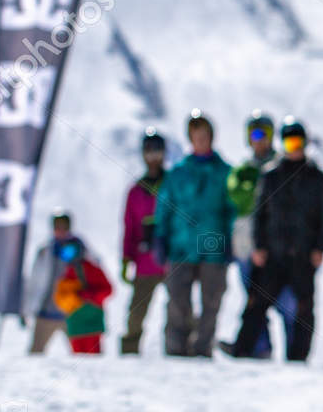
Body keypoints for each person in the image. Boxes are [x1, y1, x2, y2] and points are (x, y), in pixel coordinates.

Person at [229, 118, 323, 362]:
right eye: (289, 141)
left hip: (304, 254)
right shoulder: (271, 176)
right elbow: (260, 215)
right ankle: (242, 350)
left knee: (304, 308)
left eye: (298, 141)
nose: (294, 147)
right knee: (256, 303)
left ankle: (298, 357)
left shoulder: (317, 178)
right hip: (273, 254)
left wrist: (319, 247)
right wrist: (259, 246)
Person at [153, 111, 235, 357]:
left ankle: (203, 348)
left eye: (204, 136)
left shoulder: (225, 173)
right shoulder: (178, 173)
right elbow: (164, 207)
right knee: (178, 302)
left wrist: (233, 242)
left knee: (211, 302)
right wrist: (160, 237)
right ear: (190, 139)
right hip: (181, 246)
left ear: (211, 137)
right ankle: (176, 349)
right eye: (196, 136)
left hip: (213, 248)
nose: (200, 141)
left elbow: (233, 210)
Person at [229, 111, 292, 358]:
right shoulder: (243, 169)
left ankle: (294, 352)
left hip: (276, 245)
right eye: (254, 134)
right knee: (254, 297)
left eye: (264, 134)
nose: (259, 139)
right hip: (247, 245)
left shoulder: (281, 166)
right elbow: (238, 198)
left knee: (286, 300)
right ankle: (259, 346)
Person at [119, 128, 168, 354]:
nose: (153, 156)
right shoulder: (136, 191)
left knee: (179, 308)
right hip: (144, 261)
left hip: (170, 258)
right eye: (149, 151)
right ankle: (130, 349)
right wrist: (126, 258)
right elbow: (130, 227)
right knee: (136, 311)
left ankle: (182, 348)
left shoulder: (172, 184)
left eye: (157, 151)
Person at [24, 210, 94, 354]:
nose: (60, 230)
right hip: (46, 312)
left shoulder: (81, 249)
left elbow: (94, 274)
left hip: (72, 312)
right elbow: (34, 282)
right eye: (57, 226)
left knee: (82, 356)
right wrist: (25, 309)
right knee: (34, 354)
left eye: (64, 226)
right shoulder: (45, 251)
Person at [51, 237, 114, 355]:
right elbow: (60, 299)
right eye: (64, 253)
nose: (68, 256)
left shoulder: (94, 270)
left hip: (93, 321)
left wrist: (92, 296)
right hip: (75, 321)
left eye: (70, 251)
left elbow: (108, 290)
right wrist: (74, 298)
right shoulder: (66, 274)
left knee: (93, 357)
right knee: (78, 358)